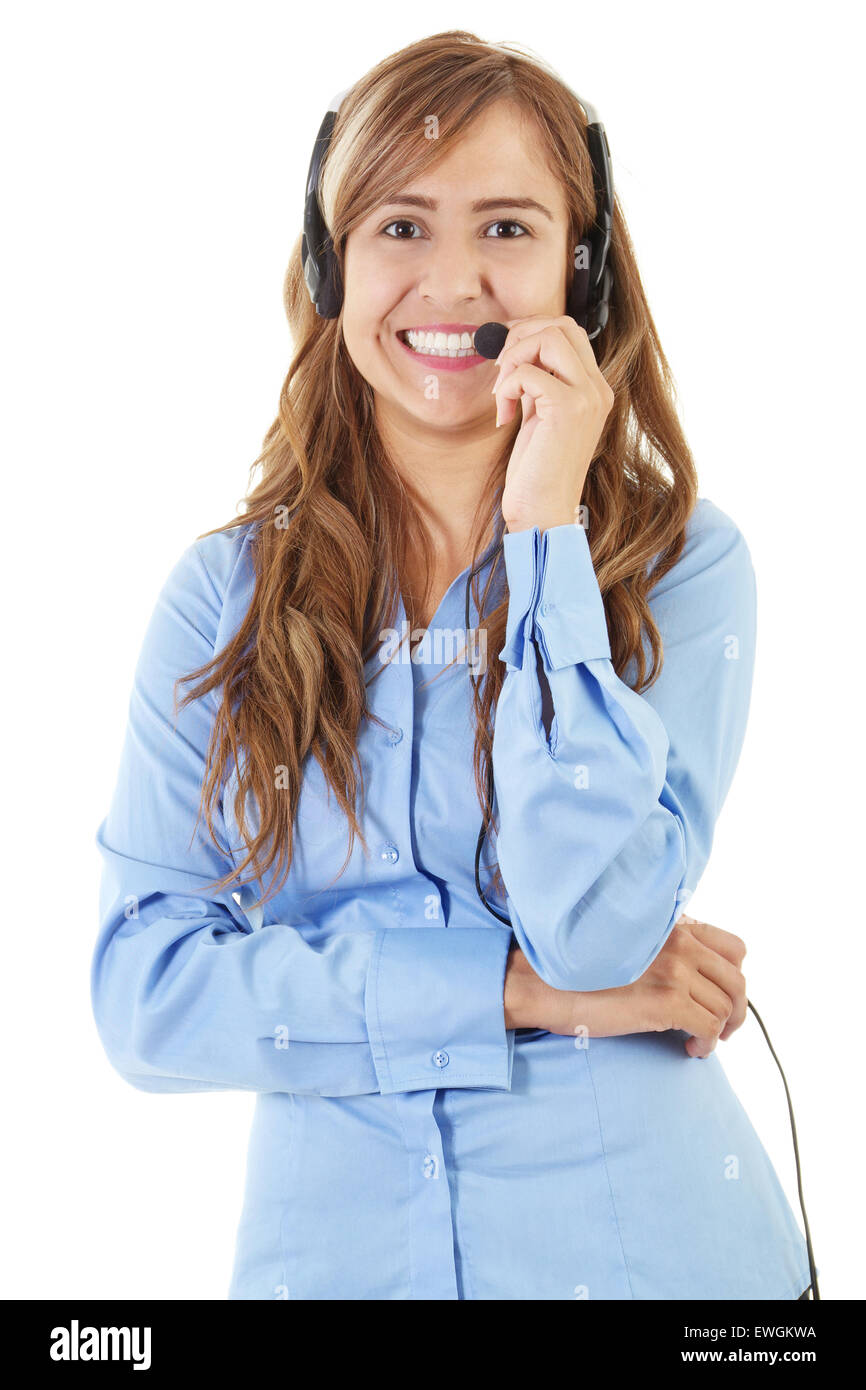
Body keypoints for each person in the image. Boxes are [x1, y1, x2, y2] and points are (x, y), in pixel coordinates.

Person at [92, 30, 813, 1300]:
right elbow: (146, 998)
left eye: (507, 228)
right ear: (330, 264)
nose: (451, 282)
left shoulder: (680, 566)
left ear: (580, 270)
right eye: (400, 227)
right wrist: (514, 994)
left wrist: (544, 532)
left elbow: (594, 929)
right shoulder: (220, 601)